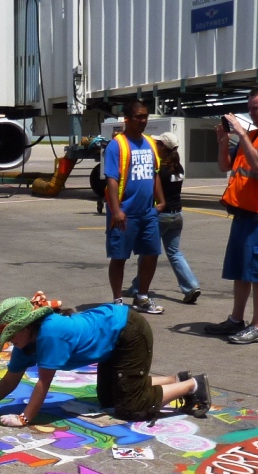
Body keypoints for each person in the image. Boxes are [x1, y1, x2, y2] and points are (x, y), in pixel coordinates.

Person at [0, 292, 211, 427]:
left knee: (130, 408)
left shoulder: (50, 334)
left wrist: (25, 418)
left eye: (12, 335)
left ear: (26, 328)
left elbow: (43, 383)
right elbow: (10, 380)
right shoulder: (27, 342)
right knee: (109, 400)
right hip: (110, 336)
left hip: (127, 332)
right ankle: (175, 380)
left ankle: (193, 386)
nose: (10, 341)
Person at [204, 86, 258, 345]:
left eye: (255, 108)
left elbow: (257, 164)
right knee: (240, 271)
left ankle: (257, 326)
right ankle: (236, 319)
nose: (251, 113)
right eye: (249, 109)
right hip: (244, 215)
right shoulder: (253, 136)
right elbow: (225, 165)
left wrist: (241, 133)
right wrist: (223, 142)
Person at [104, 100, 166, 315]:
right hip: (124, 212)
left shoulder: (149, 142)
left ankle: (142, 297)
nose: (143, 120)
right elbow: (112, 179)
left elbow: (154, 173)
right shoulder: (117, 145)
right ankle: (118, 301)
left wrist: (161, 201)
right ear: (127, 119)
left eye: (145, 116)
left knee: (151, 254)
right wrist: (116, 211)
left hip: (147, 212)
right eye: (139, 117)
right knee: (119, 257)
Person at [127, 131, 201, 305]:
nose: (155, 146)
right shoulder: (178, 167)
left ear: (163, 147)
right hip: (177, 214)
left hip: (162, 215)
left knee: (146, 253)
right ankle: (191, 286)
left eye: (158, 143)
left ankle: (138, 288)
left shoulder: (161, 167)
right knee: (174, 252)